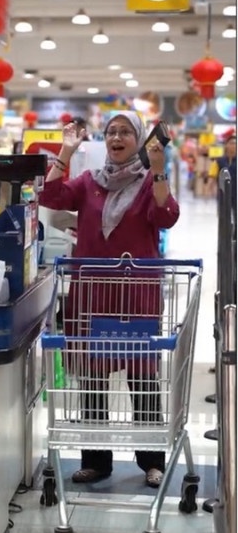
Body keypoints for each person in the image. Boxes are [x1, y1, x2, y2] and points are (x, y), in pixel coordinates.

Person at [39, 111, 180, 488]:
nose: (117, 137)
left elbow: (166, 216)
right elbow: (51, 195)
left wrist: (160, 168)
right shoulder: (89, 182)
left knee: (144, 378)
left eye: (125, 132)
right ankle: (96, 461)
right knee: (94, 376)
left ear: (138, 139)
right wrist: (66, 151)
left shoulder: (150, 181)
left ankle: (152, 461)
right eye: (111, 132)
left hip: (137, 296)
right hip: (93, 295)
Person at [217, 133, 236, 205]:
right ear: (226, 145)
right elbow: (213, 175)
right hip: (223, 194)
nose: (233, 146)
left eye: (235, 144)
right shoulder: (219, 160)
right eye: (231, 143)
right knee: (223, 214)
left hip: (236, 193)